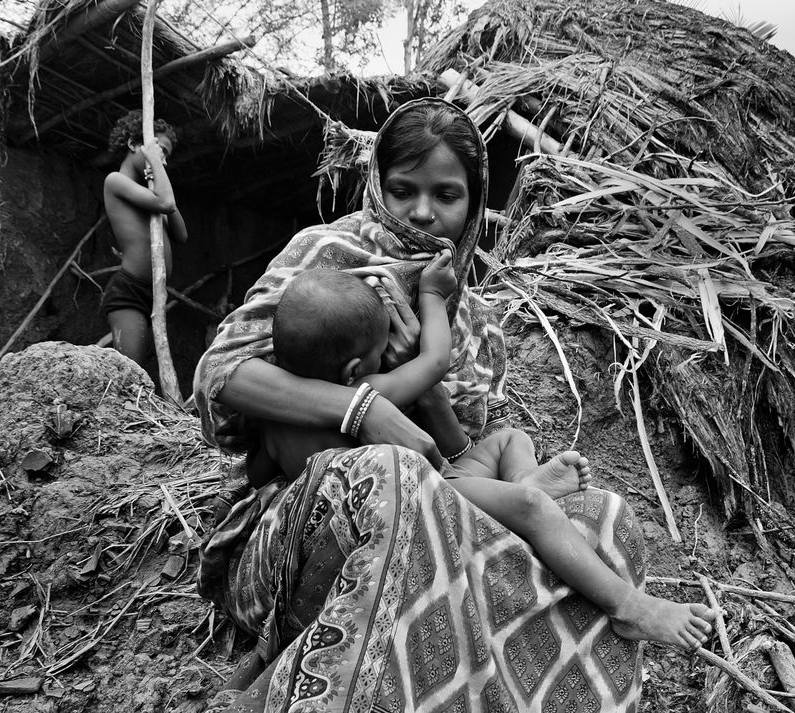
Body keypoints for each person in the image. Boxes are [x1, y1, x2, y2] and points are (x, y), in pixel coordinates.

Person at [194, 98, 707, 712]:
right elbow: (220, 376)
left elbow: (456, 459)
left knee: (604, 520)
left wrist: (423, 380)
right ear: (376, 186)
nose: (422, 213)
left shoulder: (475, 323)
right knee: (397, 476)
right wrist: (365, 408)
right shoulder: (326, 259)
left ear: (473, 203)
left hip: (432, 503)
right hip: (298, 543)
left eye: (446, 195)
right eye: (402, 189)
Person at [269, 263, 716, 652]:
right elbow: (435, 361)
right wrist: (430, 294)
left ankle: (521, 481)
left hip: (434, 481)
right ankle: (628, 606)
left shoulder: (273, 419)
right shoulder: (363, 393)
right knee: (533, 508)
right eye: (379, 354)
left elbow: (261, 471)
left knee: (509, 439)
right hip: (427, 497)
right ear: (353, 370)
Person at [102, 110, 188, 372]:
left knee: (140, 369)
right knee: (131, 372)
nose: (163, 159)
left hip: (152, 295)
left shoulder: (151, 196)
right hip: (129, 292)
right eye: (159, 149)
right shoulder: (116, 181)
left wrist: (157, 174)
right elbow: (167, 202)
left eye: (166, 156)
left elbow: (181, 234)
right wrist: (153, 159)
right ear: (133, 145)